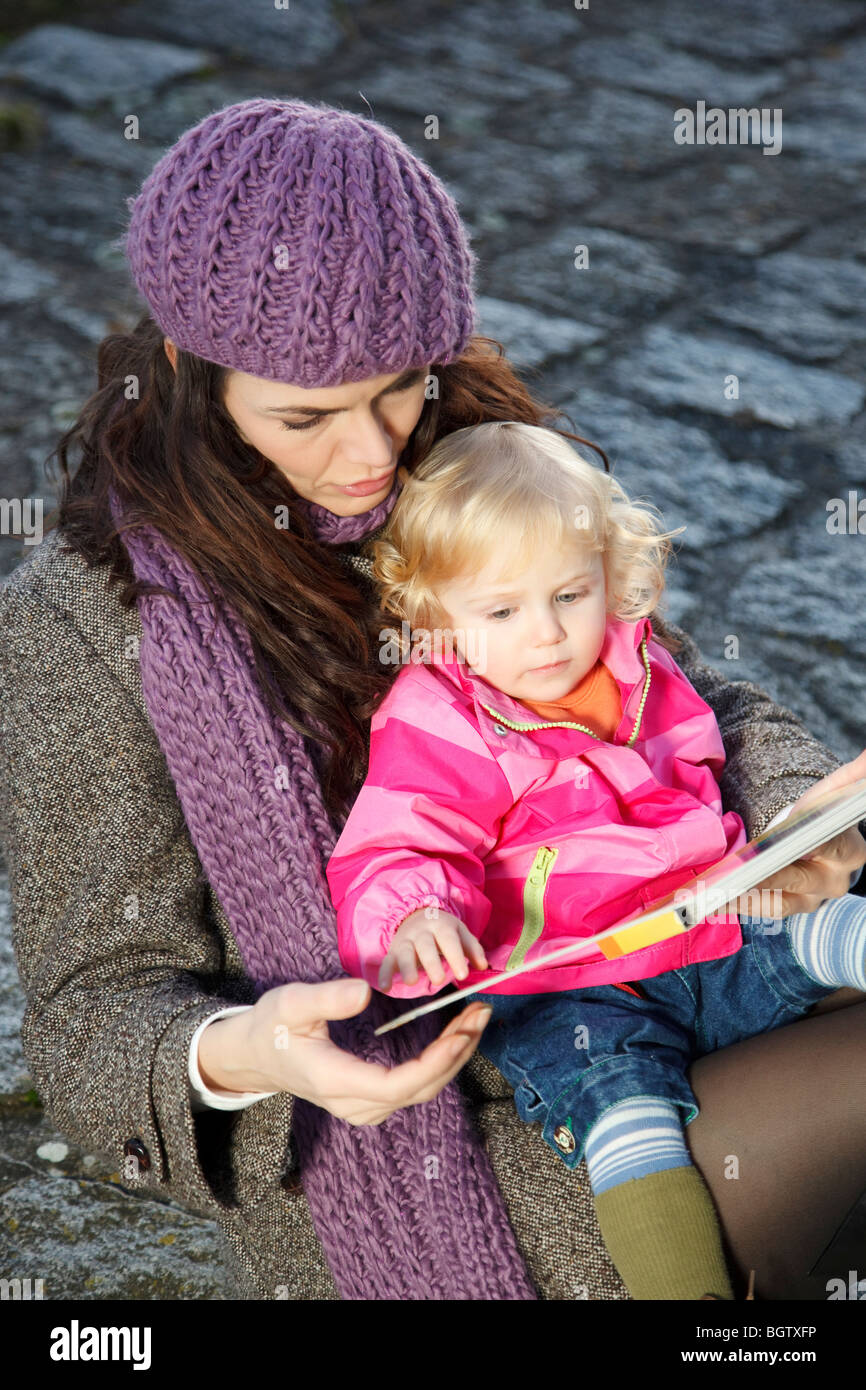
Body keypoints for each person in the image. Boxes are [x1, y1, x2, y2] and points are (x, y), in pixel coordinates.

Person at [1, 97, 865, 1302]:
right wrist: (256, 1049)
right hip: (464, 1137)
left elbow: (673, 681)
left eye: (398, 386)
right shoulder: (80, 623)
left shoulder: (471, 446)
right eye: (305, 413)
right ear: (191, 365)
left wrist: (791, 814)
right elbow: (92, 1012)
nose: (371, 451)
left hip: (683, 941)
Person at [326, 419, 866, 1299]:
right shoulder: (436, 719)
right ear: (432, 615)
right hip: (572, 990)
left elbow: (711, 766)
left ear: (607, 575)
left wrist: (786, 838)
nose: (546, 634)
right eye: (501, 612)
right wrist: (420, 916)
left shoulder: (639, 662)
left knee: (833, 922)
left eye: (569, 596)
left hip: (710, 924)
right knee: (628, 1121)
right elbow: (398, 844)